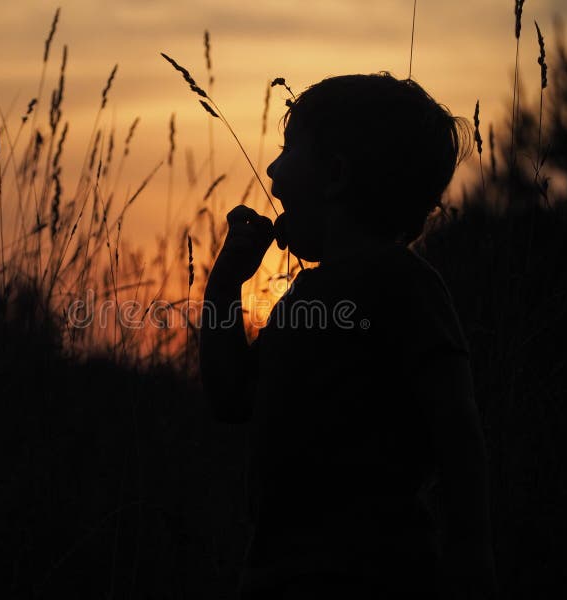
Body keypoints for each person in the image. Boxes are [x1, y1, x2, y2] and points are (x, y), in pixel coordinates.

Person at [199, 73, 497, 599]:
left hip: (379, 574)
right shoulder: (303, 301)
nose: (272, 172)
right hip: (280, 576)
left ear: (335, 175)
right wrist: (224, 287)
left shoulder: (403, 284)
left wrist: (470, 560)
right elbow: (231, 396)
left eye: (288, 150)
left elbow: (458, 428)